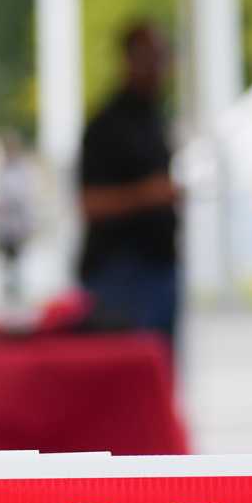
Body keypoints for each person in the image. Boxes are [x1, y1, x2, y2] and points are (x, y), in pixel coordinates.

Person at [77, 22, 182, 358]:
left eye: (162, 58)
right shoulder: (106, 125)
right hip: (120, 272)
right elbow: (89, 202)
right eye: (151, 58)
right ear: (129, 60)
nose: (159, 68)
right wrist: (146, 194)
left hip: (159, 266)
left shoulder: (155, 117)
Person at [0, 132, 36, 307]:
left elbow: (22, 196)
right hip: (4, 224)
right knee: (6, 257)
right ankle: (9, 287)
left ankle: (16, 287)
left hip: (16, 222)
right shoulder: (1, 170)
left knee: (16, 257)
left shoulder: (22, 170)